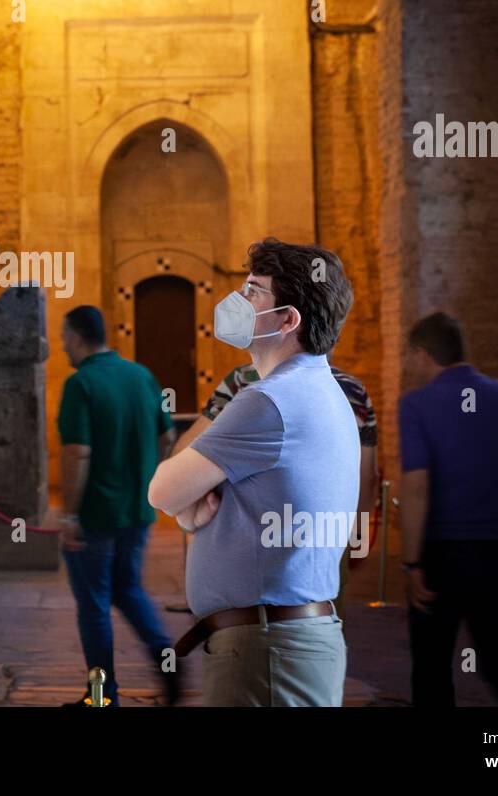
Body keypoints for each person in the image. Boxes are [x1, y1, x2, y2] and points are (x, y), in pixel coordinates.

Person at [149, 238, 358, 706]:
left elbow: (162, 490)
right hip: (288, 640)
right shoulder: (325, 390)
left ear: (288, 319)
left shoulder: (268, 401)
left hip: (267, 650)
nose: (238, 303)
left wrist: (187, 510)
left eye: (253, 292)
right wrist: (192, 514)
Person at [399, 312, 498, 707]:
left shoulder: (417, 404)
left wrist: (412, 563)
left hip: (444, 551)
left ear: (423, 354)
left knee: (431, 665)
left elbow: (416, 485)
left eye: (410, 356)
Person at [173, 359, 378, 625]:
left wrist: (193, 507)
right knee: (320, 636)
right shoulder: (351, 390)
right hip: (325, 542)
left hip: (246, 541)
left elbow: (184, 454)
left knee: (244, 644)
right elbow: (366, 476)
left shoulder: (245, 380)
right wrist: (355, 539)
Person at [56, 304, 179, 706]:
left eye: (63, 337)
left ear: (76, 336)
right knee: (129, 588)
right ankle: (167, 657)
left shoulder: (81, 383)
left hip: (94, 515)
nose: (62, 345)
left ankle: (102, 694)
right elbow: (167, 436)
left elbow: (78, 452)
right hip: (137, 513)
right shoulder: (141, 375)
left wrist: (70, 512)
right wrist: (149, 481)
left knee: (93, 605)